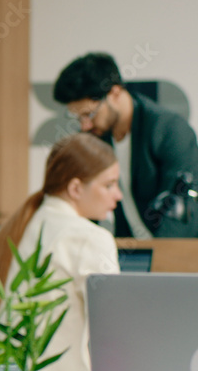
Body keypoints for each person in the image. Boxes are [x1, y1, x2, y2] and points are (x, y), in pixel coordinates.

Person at [0, 133, 122, 371]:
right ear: (75, 188)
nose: (118, 195)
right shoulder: (90, 237)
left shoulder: (10, 230)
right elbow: (114, 333)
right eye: (109, 185)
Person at [54, 52, 198, 238]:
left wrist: (162, 259)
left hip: (175, 253)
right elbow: (85, 203)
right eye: (78, 117)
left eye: (89, 114)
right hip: (130, 253)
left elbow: (180, 207)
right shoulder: (97, 138)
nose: (84, 125)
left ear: (114, 93)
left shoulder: (168, 129)